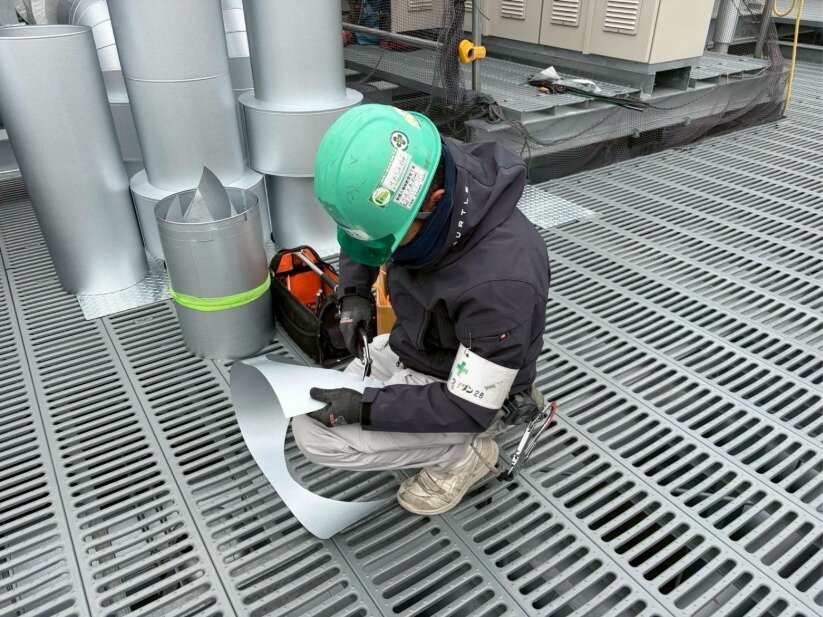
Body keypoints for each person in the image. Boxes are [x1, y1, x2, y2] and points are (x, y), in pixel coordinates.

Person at [293, 104, 550, 515]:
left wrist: (367, 409)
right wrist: (353, 293)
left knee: (317, 437)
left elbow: (467, 404)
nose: (381, 251)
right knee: (312, 403)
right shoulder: (421, 164)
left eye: (390, 241)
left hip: (463, 387)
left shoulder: (500, 284)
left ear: (434, 202)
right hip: (418, 343)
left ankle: (466, 456)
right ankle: (424, 421)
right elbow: (366, 230)